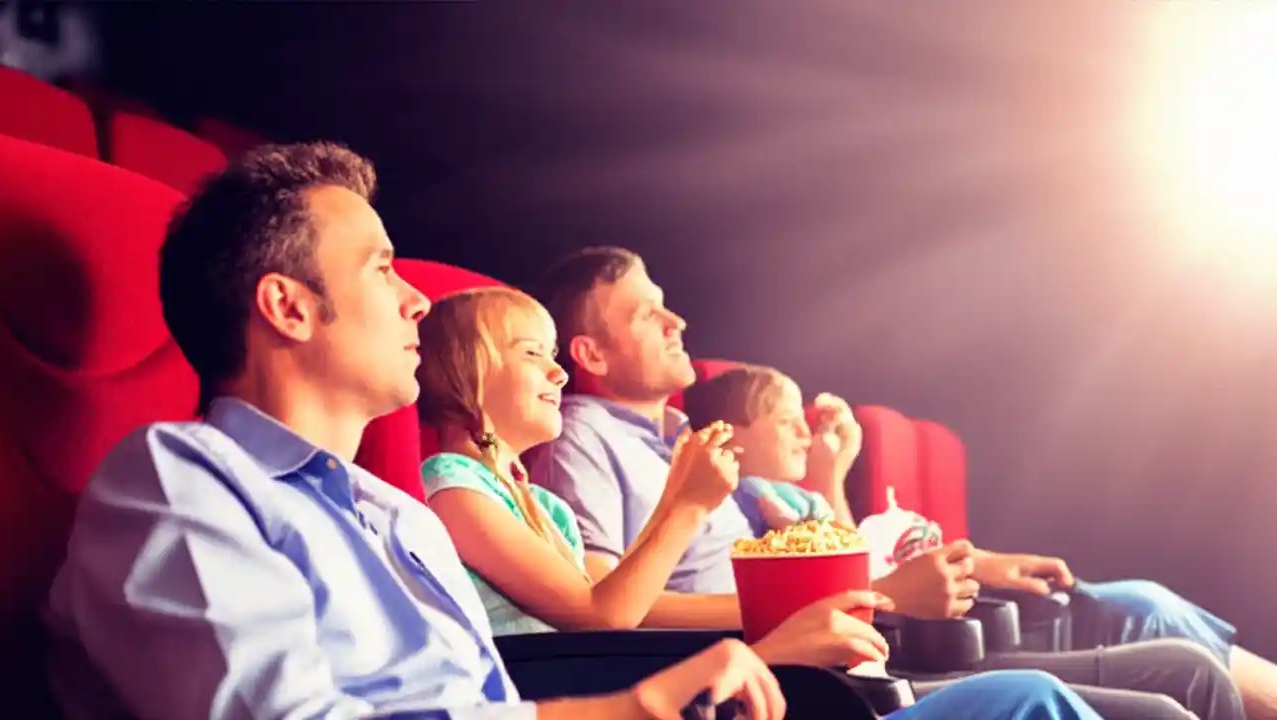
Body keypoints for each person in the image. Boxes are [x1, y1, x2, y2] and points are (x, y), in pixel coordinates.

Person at [40, 142, 1097, 720]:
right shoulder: (177, 482)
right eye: (378, 269)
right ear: (286, 307)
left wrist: (662, 699)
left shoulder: (387, 514)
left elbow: (495, 706)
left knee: (1033, 701)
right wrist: (646, 702)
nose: (415, 301)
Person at [524, 245, 1249, 720]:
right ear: (591, 350)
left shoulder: (685, 437)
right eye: (647, 313)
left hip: (847, 645)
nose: (675, 318)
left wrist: (836, 490)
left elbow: (818, 552)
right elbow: (607, 604)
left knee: (1175, 671)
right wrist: (872, 595)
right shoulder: (586, 432)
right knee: (1161, 691)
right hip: (787, 673)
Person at [414, 284, 1105, 719]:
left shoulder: (542, 506)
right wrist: (686, 509)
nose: (558, 369)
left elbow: (604, 611)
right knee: (1032, 699)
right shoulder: (452, 488)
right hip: (606, 696)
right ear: (467, 372)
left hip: (674, 681)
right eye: (535, 353)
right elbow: (603, 619)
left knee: (1040, 695)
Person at [685, 364, 1277, 720]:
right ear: (728, 434)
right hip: (880, 659)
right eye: (785, 419)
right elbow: (849, 586)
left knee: (1166, 641)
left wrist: (831, 480)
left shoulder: (801, 499)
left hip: (912, 637)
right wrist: (887, 586)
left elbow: (854, 558)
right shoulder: (744, 504)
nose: (803, 431)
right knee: (1162, 662)